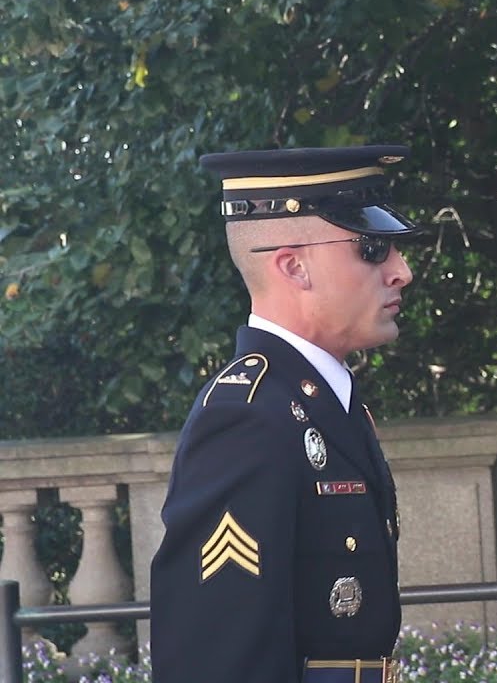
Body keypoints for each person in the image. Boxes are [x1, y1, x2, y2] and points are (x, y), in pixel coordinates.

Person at [150, 145, 420, 683]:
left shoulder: (319, 403)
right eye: (372, 249)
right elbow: (222, 659)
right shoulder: (246, 420)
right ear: (294, 267)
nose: (401, 271)